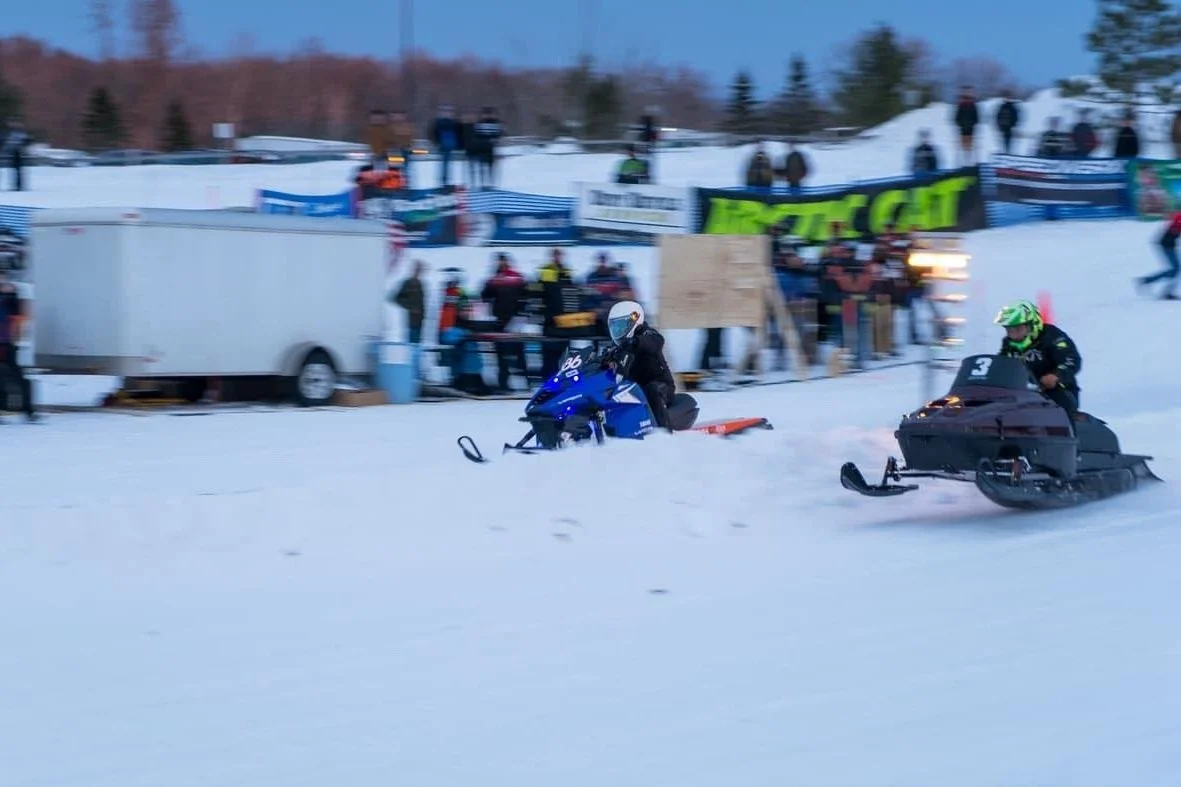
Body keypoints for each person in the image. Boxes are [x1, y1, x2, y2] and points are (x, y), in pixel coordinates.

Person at [994, 299, 1081, 420]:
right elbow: (1001, 364)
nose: (1014, 335)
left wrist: (1056, 375)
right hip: (1022, 393)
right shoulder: (1008, 343)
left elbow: (1071, 359)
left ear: (1032, 324)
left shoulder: (1052, 336)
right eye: (1010, 330)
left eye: (1018, 329)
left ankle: (1067, 436)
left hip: (1055, 391)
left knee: (1060, 407)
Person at [606, 300, 676, 431]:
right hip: (636, 388)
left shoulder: (647, 334)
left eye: (621, 326)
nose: (618, 330)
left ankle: (665, 431)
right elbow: (609, 357)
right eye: (615, 327)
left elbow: (657, 341)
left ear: (634, 321)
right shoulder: (620, 346)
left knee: (652, 389)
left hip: (661, 385)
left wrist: (635, 341)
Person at [0, 271, 35, 422]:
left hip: (8, 344)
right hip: (6, 343)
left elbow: (22, 317)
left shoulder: (11, 298)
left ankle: (28, 411)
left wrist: (12, 295)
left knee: (19, 378)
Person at [1136, 210, 1181, 301]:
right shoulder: (1179, 216)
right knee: (1175, 269)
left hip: (1169, 244)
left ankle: (1147, 281)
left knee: (1174, 270)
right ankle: (1148, 282)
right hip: (1166, 244)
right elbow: (1175, 226)